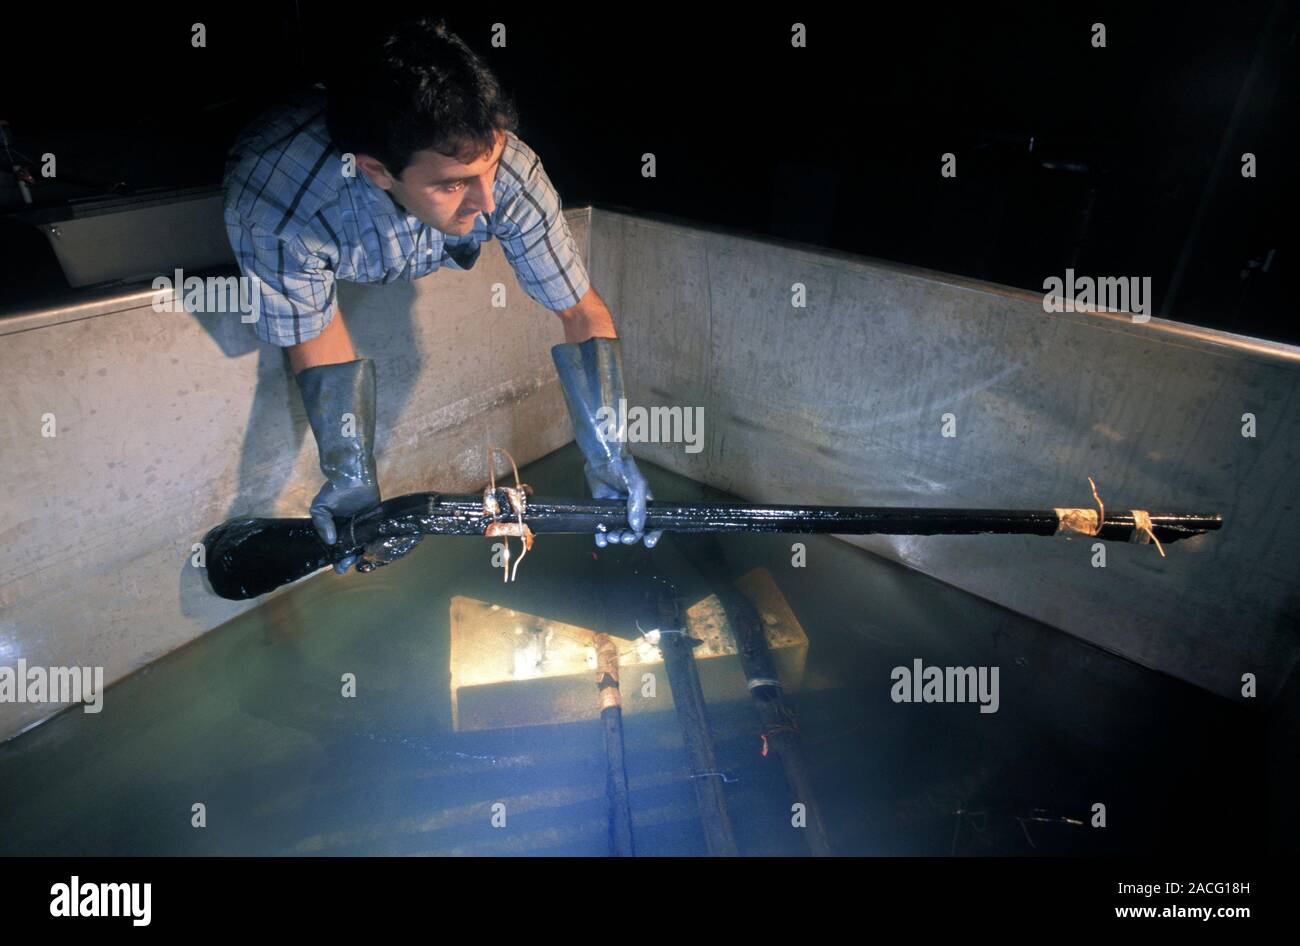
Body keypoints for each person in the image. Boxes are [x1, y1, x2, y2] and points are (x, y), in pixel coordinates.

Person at [223, 16, 660, 574]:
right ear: (378, 171)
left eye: (491, 166)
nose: (489, 201)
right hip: (329, 212)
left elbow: (579, 309)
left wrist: (609, 455)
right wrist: (350, 478)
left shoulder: (508, 178)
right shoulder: (280, 196)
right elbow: (314, 330)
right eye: (454, 183)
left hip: (413, 232)